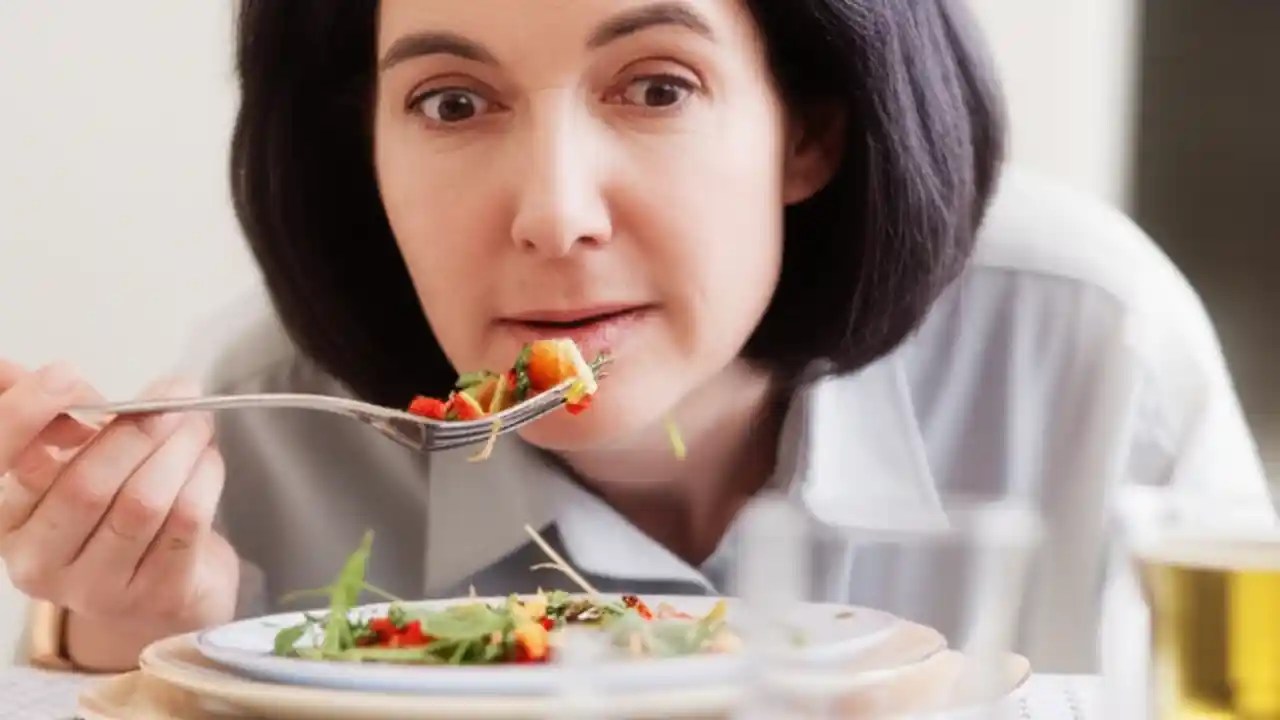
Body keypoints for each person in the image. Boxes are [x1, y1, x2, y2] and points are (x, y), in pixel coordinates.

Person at [2, 0, 1268, 674]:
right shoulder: (261, 429)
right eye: (452, 101)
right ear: (365, 155)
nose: (554, 212)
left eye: (656, 86)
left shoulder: (1092, 346)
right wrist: (126, 642)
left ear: (805, 130)